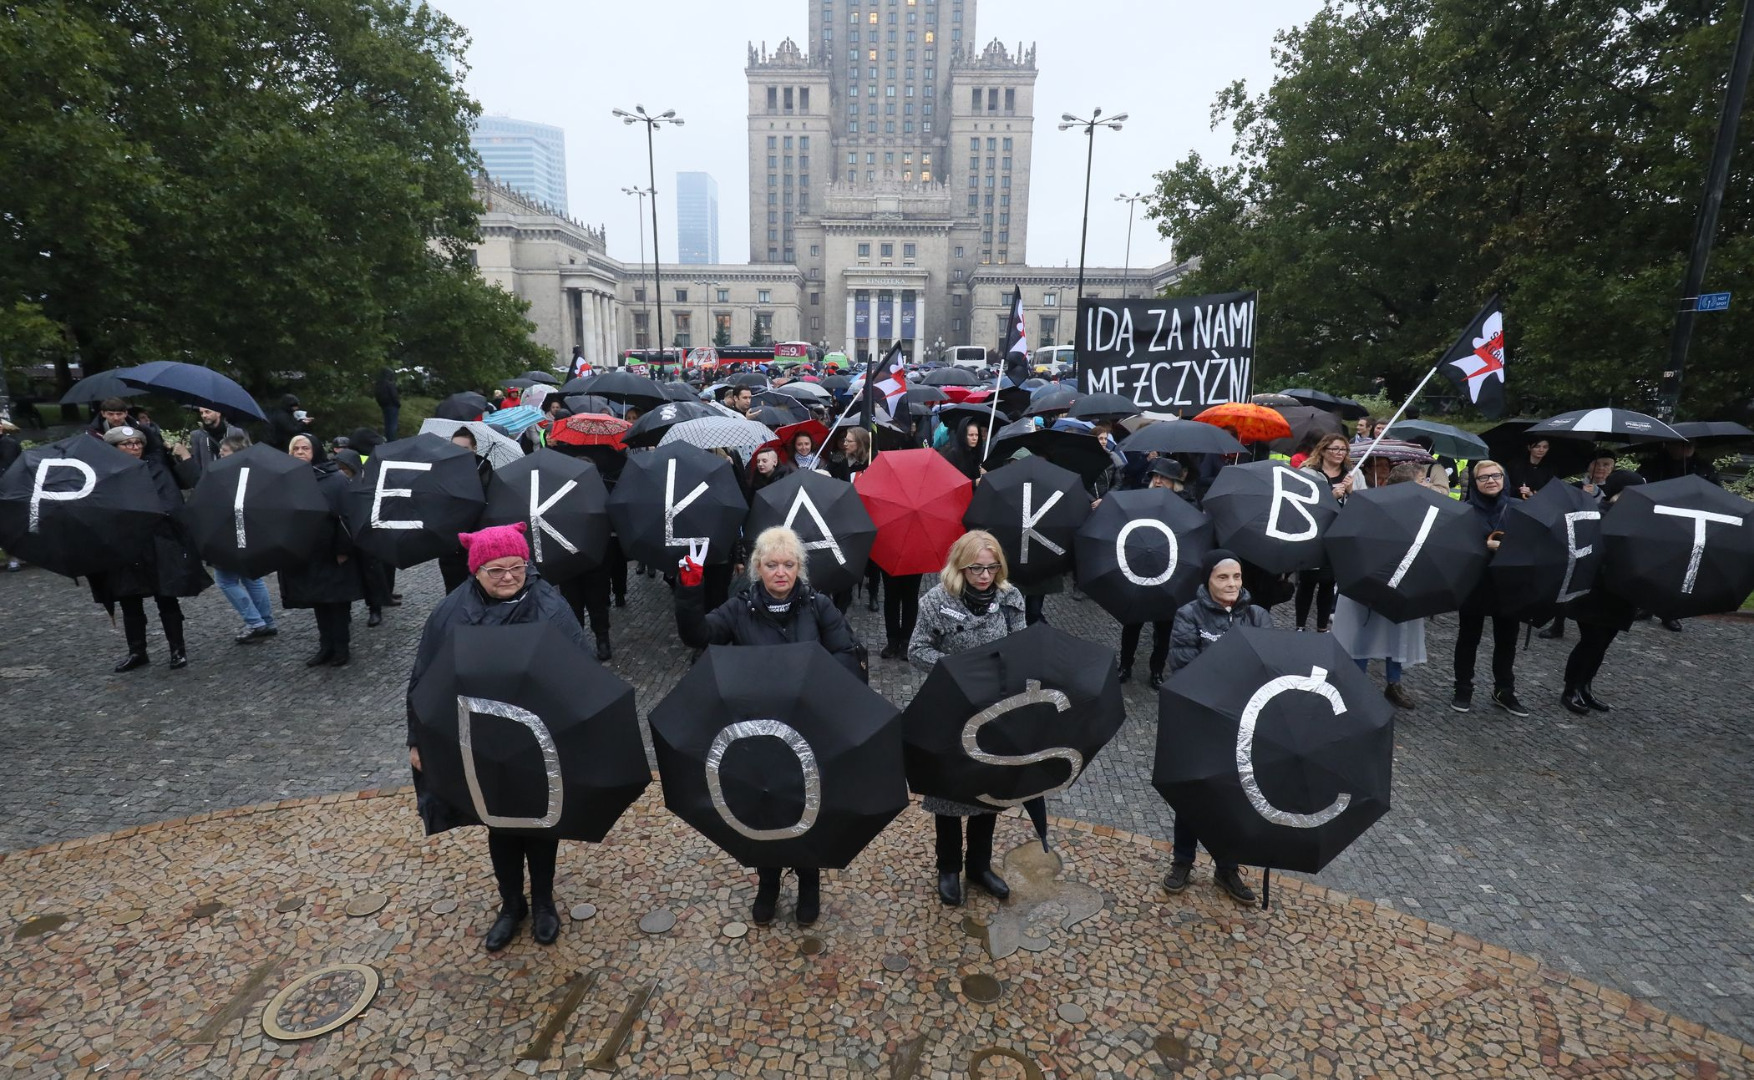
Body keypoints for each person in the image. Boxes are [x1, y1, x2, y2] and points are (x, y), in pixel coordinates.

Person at [673, 525, 862, 927]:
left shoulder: (818, 606)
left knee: (810, 804)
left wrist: (820, 692)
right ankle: (769, 881)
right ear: (758, 567)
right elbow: (698, 635)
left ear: (800, 568)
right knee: (764, 805)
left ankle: (809, 880)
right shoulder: (739, 607)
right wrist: (690, 587)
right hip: (757, 730)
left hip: (808, 728)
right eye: (772, 564)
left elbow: (845, 654)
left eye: (789, 564)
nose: (781, 572)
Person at [406, 522, 580, 951]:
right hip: (478, 741)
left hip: (538, 739)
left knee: (541, 821)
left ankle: (543, 901)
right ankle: (511, 903)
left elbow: (581, 672)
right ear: (475, 571)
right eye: (495, 569)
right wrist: (417, 740)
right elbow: (423, 678)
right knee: (498, 823)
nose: (507, 576)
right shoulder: (450, 613)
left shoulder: (550, 607)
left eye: (516, 567)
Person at [908, 529, 1027, 906]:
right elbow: (916, 649)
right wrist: (956, 669)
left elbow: (1021, 647)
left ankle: (979, 865)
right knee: (949, 793)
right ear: (961, 565)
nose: (984, 575)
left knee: (987, 791)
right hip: (950, 710)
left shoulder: (1010, 598)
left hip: (993, 711)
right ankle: (948, 868)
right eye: (977, 568)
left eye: (992, 567)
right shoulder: (935, 601)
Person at [1164, 549, 1270, 904]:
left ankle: (1227, 867)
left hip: (1245, 725)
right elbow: (1183, 669)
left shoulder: (1258, 617)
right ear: (1208, 579)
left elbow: (1271, 668)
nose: (1231, 584)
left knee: (1236, 797)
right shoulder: (1188, 615)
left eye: (1237, 577)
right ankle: (1183, 860)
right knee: (1194, 794)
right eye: (1223, 577)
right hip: (1202, 721)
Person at [90, 426, 211, 671]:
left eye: (137, 443)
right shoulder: (102, 473)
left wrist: (181, 455)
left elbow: (185, 486)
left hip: (157, 543)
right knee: (129, 601)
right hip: (124, 545)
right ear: (113, 448)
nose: (134, 447)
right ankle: (137, 651)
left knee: (166, 597)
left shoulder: (157, 466)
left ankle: (177, 649)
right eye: (127, 444)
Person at [1330, 463, 1429, 709]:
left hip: (1403, 581)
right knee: (1363, 634)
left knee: (1398, 633)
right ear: (1408, 486)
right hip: (1372, 580)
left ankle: (1394, 684)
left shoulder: (1425, 510)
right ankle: (1356, 686)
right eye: (1422, 480)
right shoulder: (1373, 506)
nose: (1427, 485)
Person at [1560, 471, 1646, 715]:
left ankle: (1586, 686)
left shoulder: (1639, 518)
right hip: (1595, 592)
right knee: (1591, 641)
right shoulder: (1601, 515)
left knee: (1603, 644)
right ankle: (1570, 689)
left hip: (1622, 593)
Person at [1450, 459, 1525, 715]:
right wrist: (1486, 547)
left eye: (1496, 475)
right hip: (1475, 583)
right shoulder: (1465, 510)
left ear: (1504, 479)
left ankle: (1504, 690)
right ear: (1475, 482)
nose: (1491, 480)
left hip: (1508, 585)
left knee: (1507, 641)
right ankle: (1462, 688)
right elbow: (1457, 548)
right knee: (1468, 638)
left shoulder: (1520, 508)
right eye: (1483, 477)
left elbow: (1533, 544)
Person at [279, 433, 361, 666]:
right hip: (307, 552)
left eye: (305, 448)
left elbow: (346, 516)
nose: (301, 453)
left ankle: (341, 648)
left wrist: (343, 549)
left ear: (315, 450)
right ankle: (326, 646)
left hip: (333, 552)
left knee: (336, 602)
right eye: (296, 449)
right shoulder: (290, 479)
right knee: (319, 602)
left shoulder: (335, 480)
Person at [1117, 459, 1194, 689]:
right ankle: (1125, 665)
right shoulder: (1142, 500)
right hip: (1141, 571)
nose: (1158, 480)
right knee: (1132, 624)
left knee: (1164, 628)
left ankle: (1157, 670)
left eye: (1164, 477)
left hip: (1171, 573)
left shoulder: (1187, 504)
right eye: (1155, 476)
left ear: (1175, 482)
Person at [206, 433, 280, 644]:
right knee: (252, 578)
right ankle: (267, 621)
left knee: (226, 581)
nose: (220, 456)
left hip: (231, 533)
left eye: (224, 452)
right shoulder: (255, 471)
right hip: (250, 533)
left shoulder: (228, 474)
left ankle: (255, 622)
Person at [1541, 450, 1619, 640]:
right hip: (1575, 539)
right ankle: (1558, 623)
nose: (1601, 468)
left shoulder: (1617, 489)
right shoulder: (1576, 486)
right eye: (1597, 463)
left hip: (1602, 542)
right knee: (1566, 580)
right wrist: (1581, 497)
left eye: (1606, 464)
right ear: (1589, 466)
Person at [1295, 434, 1354, 632]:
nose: (1339, 453)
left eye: (1343, 449)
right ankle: (1300, 625)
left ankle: (1322, 627)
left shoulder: (1352, 475)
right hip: (1313, 533)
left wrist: (1352, 492)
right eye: (1335, 449)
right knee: (1308, 582)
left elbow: (1361, 508)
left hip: (1337, 535)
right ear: (1323, 450)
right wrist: (1330, 497)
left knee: (1328, 582)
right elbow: (1300, 502)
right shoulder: (1309, 473)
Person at [438, 428, 495, 593]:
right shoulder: (443, 469)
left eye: (464, 449)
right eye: (454, 447)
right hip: (450, 542)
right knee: (454, 590)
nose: (458, 453)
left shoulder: (484, 469)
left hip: (477, 539)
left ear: (474, 448)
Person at [938, 415, 986, 481]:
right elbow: (953, 480)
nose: (974, 438)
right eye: (971, 435)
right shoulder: (953, 455)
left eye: (976, 435)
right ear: (963, 435)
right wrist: (974, 483)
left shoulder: (977, 453)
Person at [1, 415, 20, 571]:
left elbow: (17, 465)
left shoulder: (10, 444)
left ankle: (13, 556)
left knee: (8, 524)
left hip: (8, 488)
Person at [374, 368, 401, 441]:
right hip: (392, 406)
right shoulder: (390, 384)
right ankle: (392, 440)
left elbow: (377, 395)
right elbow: (394, 395)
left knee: (387, 425)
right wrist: (398, 404)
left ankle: (387, 439)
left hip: (384, 406)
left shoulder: (378, 384)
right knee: (392, 425)